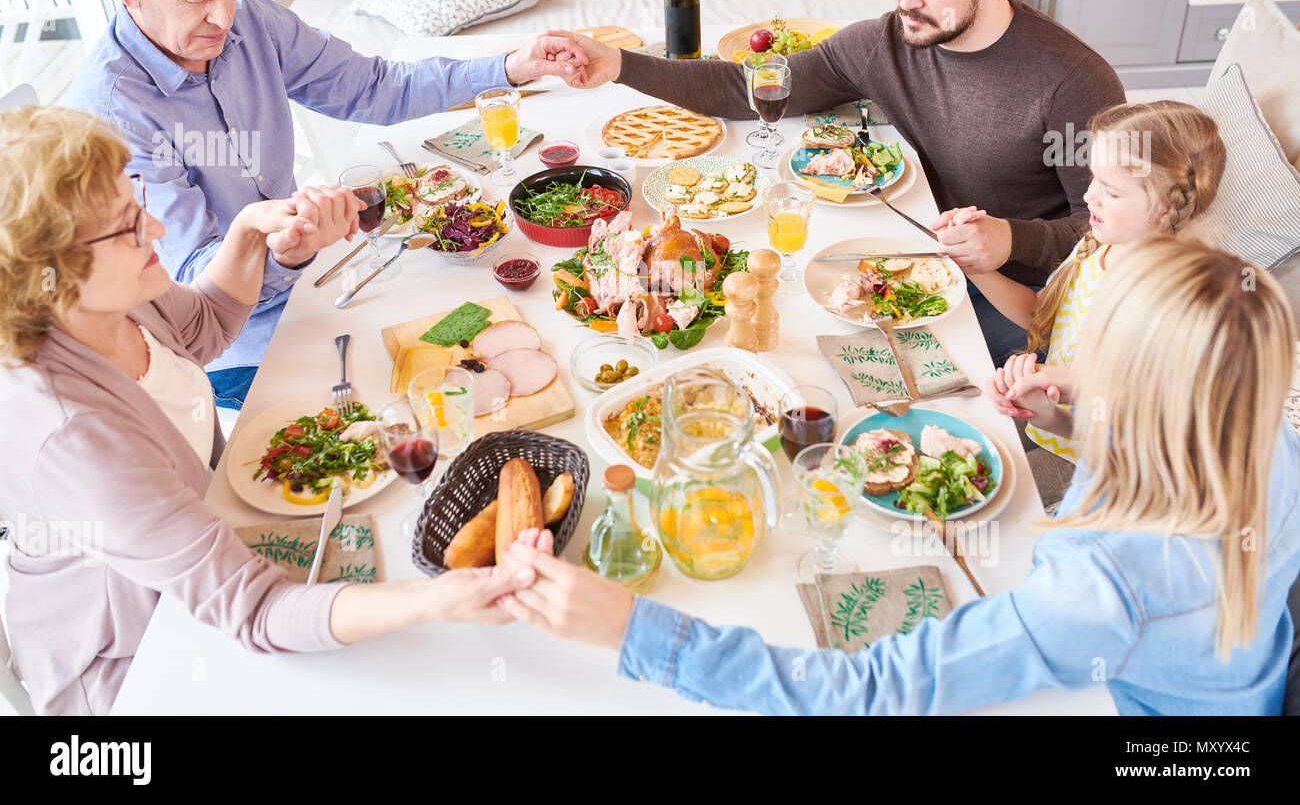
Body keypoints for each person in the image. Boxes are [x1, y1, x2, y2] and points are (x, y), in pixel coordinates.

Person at [498, 237, 1300, 715]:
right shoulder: (1264, 429)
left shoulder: (1099, 590)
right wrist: (1069, 427)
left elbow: (867, 694)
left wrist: (632, 632)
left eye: (1095, 347)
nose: (1069, 360)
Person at [0, 107, 536, 715]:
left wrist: (252, 235)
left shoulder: (105, 303)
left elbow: (202, 326)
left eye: (137, 202)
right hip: (137, 656)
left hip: (209, 545)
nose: (152, 228)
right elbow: (257, 609)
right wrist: (440, 600)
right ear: (50, 275)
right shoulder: (74, 435)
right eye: (125, 227)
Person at [559, 0, 1126, 365]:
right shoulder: (888, 40)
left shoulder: (1073, 81)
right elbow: (749, 86)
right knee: (754, 333)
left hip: (1021, 298)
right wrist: (618, 64)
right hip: (919, 255)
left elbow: (1115, 234)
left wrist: (1011, 240)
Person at [67, 0, 589, 408]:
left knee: (528, 332)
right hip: (239, 348)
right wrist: (283, 253)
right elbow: (189, 292)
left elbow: (374, 87)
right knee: (423, 412)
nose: (224, 17)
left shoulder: (250, 18)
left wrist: (508, 67)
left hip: (321, 280)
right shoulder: (111, 114)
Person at [976, 101, 1226, 461]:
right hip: (1047, 421)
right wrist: (975, 267)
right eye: (1094, 177)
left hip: (1089, 465)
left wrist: (1047, 408)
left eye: (1111, 190)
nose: (1089, 195)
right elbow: (1040, 313)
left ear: (1165, 208)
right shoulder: (1102, 242)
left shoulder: (1164, 303)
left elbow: (1126, 439)